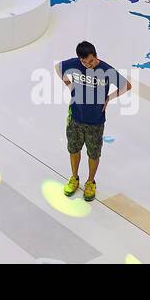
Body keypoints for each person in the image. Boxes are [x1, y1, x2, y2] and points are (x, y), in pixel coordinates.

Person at [55, 41, 129, 203]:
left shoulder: (106, 70)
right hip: (75, 117)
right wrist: (69, 85)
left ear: (96, 56)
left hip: (95, 122)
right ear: (79, 59)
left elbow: (126, 85)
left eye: (91, 61)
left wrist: (109, 98)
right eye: (84, 62)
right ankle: (74, 178)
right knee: (74, 149)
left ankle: (90, 182)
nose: (88, 64)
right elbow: (58, 68)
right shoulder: (74, 64)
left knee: (93, 153)